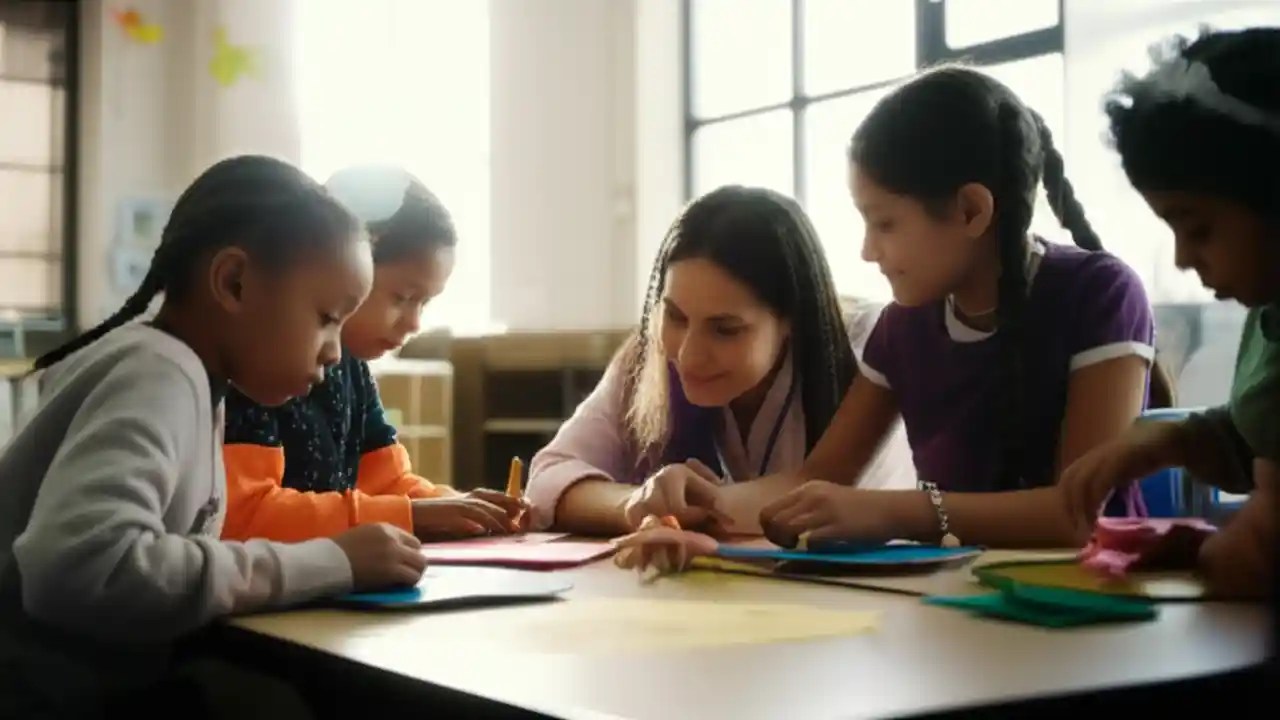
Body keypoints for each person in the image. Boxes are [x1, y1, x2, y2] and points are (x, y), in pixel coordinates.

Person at [0, 156, 428, 717]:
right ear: (234, 282)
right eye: (326, 317)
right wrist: (330, 562)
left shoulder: (195, 381)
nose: (334, 351)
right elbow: (83, 570)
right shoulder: (159, 372)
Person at [760, 65, 1173, 549]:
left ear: (971, 211)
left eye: (885, 224)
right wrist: (705, 501)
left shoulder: (1099, 293)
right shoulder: (903, 324)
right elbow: (816, 476)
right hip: (951, 596)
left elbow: (1074, 515)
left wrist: (896, 511)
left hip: (1087, 597)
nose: (868, 252)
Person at [526, 185, 915, 535]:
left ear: (792, 320)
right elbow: (548, 476)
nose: (689, 354)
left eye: (725, 329)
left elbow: (829, 493)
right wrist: (634, 504)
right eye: (675, 316)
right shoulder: (649, 354)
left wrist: (693, 506)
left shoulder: (868, 348)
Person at [1060, 28, 1280, 597]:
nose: (1183, 259)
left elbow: (1260, 554)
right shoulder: (1268, 312)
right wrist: (1169, 442)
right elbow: (1256, 436)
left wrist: (1201, 553)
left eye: (1199, 228)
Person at [221, 165, 523, 544]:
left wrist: (464, 508)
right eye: (402, 298)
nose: (414, 323)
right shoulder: (258, 365)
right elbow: (245, 516)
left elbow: (387, 484)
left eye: (424, 303)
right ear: (350, 268)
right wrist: (411, 516)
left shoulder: (353, 369)